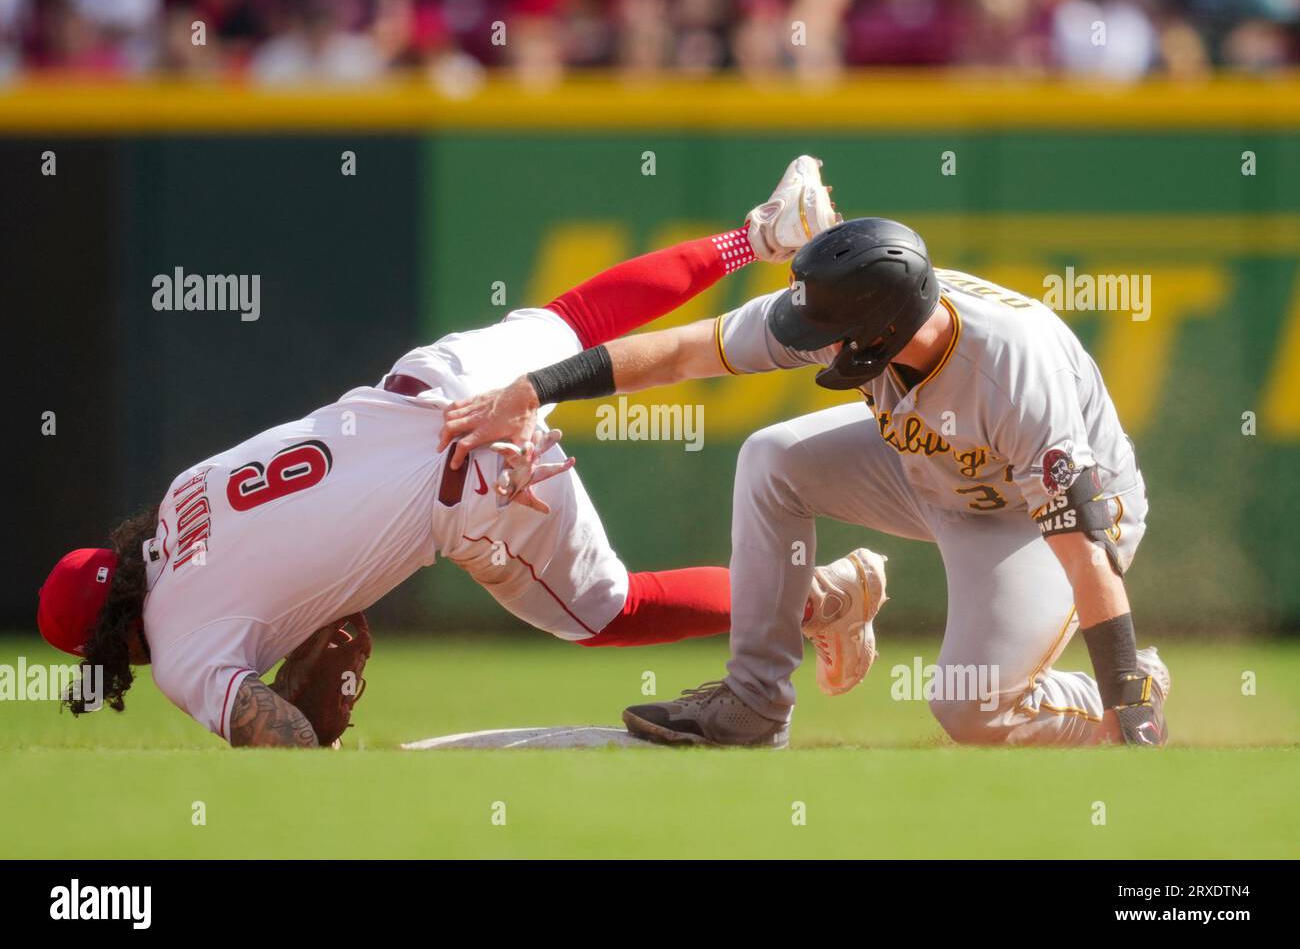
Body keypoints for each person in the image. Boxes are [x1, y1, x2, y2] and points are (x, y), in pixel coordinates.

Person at [36, 156, 873, 747]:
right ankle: (760, 235)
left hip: (471, 481)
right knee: (577, 323)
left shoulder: (183, 657)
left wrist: (305, 737)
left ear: (111, 649)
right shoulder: (183, 495)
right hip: (431, 381)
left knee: (608, 609)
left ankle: (821, 596)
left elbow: (282, 735)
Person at [439, 216, 1170, 749]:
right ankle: (754, 703)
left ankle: (1139, 684)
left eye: (823, 327)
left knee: (969, 712)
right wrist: (536, 387)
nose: (804, 331)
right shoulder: (859, 304)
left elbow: (1086, 558)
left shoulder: (1013, 373)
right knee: (773, 459)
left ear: (882, 331)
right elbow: (681, 354)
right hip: (931, 469)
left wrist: (1127, 701)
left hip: (1033, 521)